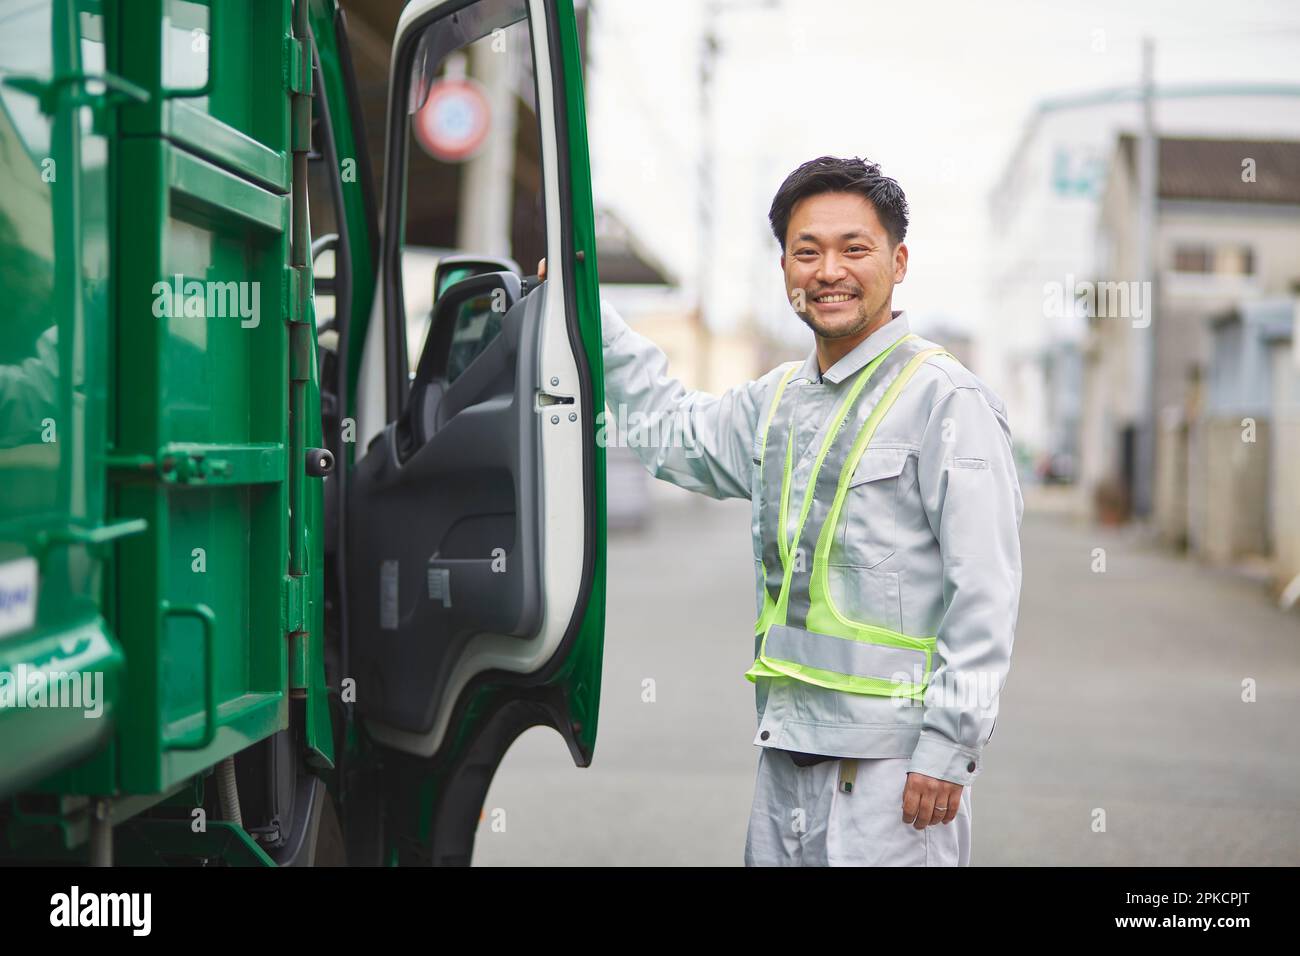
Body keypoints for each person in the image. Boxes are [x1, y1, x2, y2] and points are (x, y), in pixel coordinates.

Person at [544, 155, 1023, 866]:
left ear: (898, 261)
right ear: (786, 269)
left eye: (853, 249)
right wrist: (588, 312)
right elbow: (674, 432)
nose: (828, 270)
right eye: (807, 251)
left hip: (895, 775)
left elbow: (985, 590)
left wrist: (951, 745)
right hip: (786, 752)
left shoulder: (946, 400)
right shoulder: (777, 400)